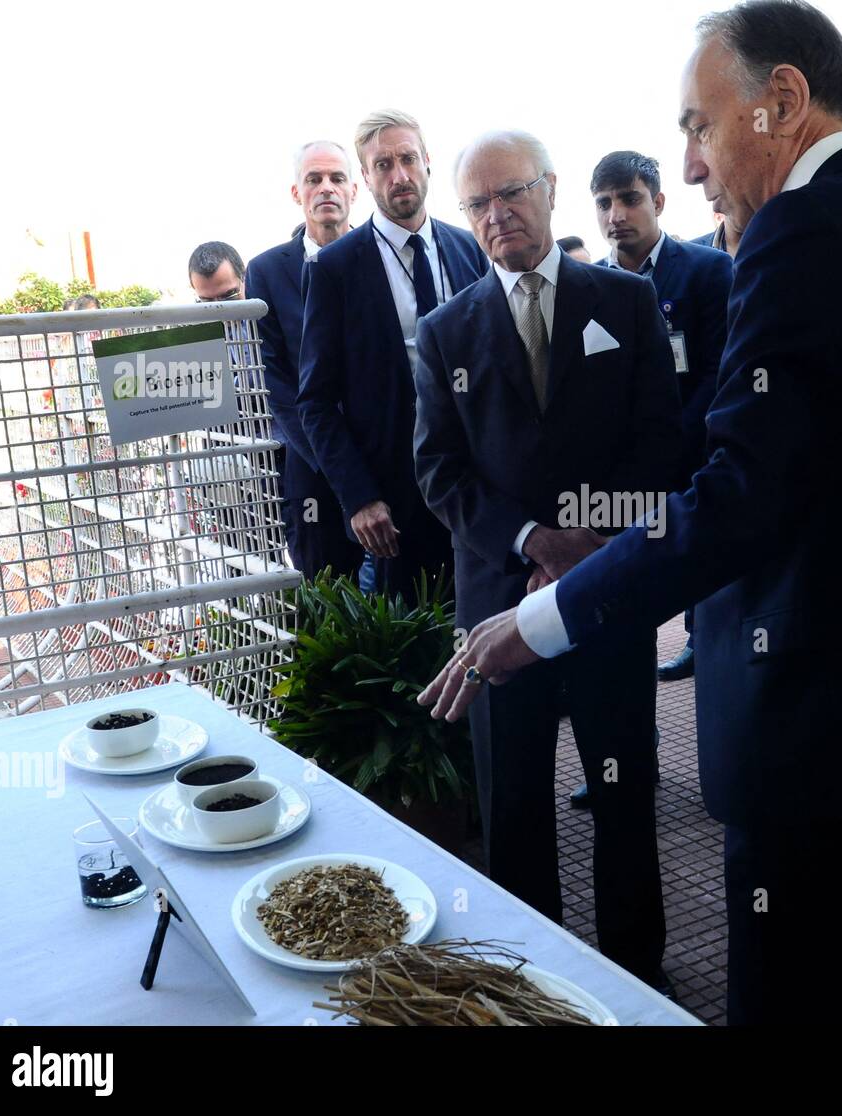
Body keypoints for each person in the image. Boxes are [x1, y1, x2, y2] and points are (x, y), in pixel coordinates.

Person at [419, 0, 842, 1026]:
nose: (690, 167)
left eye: (698, 126)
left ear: (780, 100)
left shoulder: (805, 227)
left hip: (818, 734)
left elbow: (737, 490)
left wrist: (532, 622)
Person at [412, 129, 680, 994]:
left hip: (605, 592)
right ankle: (533, 987)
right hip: (497, 602)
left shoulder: (627, 304)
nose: (497, 217)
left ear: (551, 190)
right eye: (478, 204)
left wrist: (586, 550)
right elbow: (438, 472)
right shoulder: (443, 331)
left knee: (622, 793)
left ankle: (639, 977)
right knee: (516, 807)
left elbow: (659, 445)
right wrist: (533, 543)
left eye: (512, 194)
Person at [297, 110, 489, 603]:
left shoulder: (469, 248)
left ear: (428, 163)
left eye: (408, 159)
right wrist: (359, 497)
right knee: (417, 651)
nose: (399, 175)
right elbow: (315, 401)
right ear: (366, 177)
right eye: (383, 165)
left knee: (490, 630)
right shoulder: (336, 269)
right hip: (395, 500)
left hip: (481, 484)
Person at [592, 150, 733, 689]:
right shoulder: (587, 285)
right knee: (624, 615)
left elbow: (720, 371)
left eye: (629, 199)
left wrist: (668, 448)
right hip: (620, 482)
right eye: (604, 203)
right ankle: (632, 761)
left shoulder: (709, 271)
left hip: (696, 463)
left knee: (715, 603)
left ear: (659, 201)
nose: (615, 215)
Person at [245, 142, 365, 581]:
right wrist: (335, 465)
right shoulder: (266, 271)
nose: (326, 188)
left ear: (355, 189)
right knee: (329, 592)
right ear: (297, 192)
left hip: (387, 456)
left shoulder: (382, 255)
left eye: (336, 178)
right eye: (314, 179)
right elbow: (274, 381)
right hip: (312, 466)